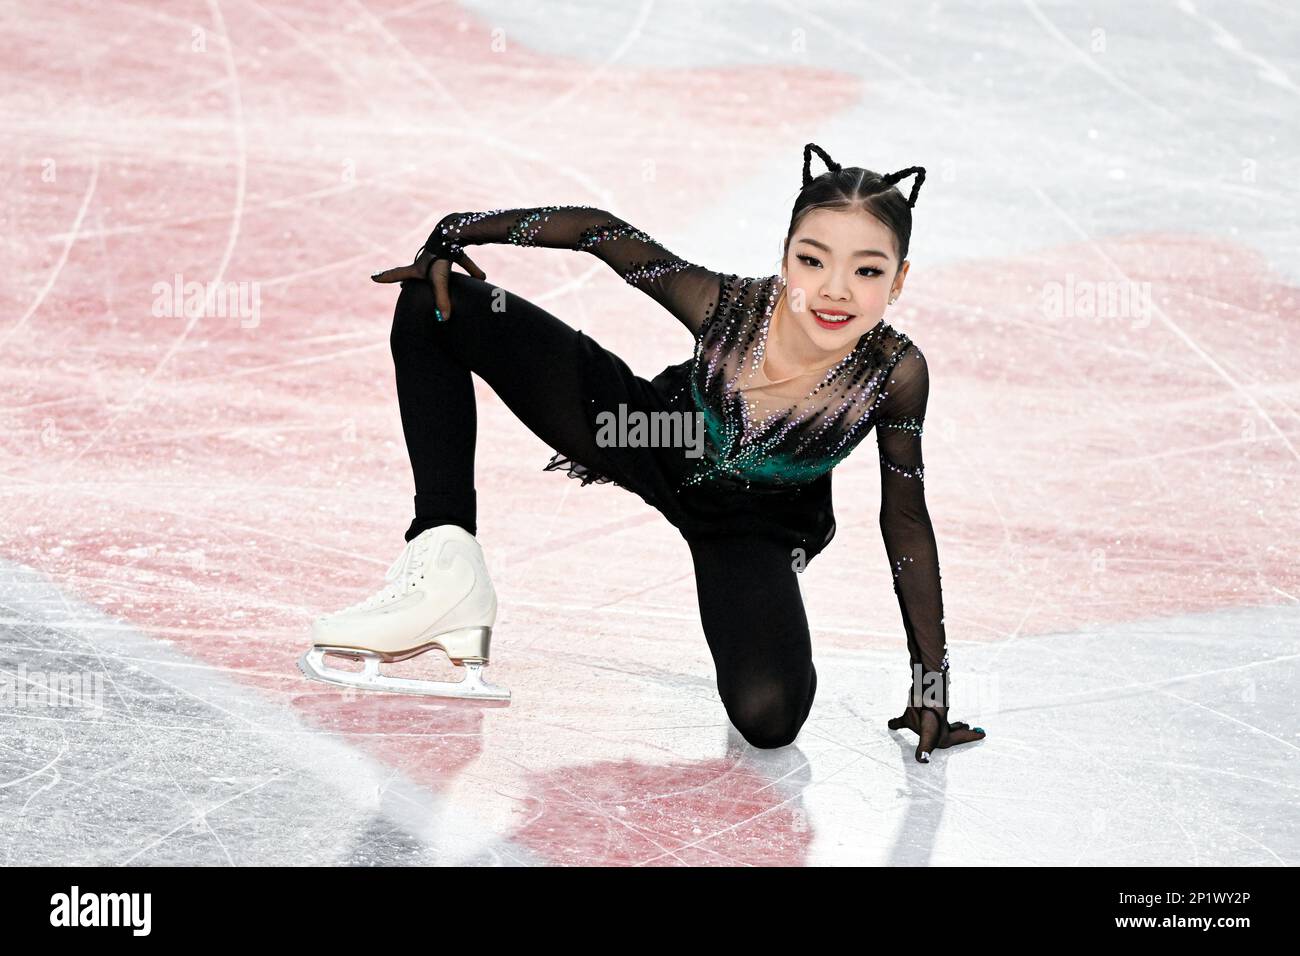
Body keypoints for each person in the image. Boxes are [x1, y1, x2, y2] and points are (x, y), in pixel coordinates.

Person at [299, 143, 986, 762]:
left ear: (897, 282)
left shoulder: (895, 373)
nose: (836, 289)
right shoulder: (728, 308)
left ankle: (755, 597)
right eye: (813, 260)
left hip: (752, 526)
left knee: (769, 718)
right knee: (434, 299)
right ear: (785, 259)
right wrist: (456, 230)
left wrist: (931, 685)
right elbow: (602, 234)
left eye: (867, 271)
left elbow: (906, 523)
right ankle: (445, 553)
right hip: (650, 435)